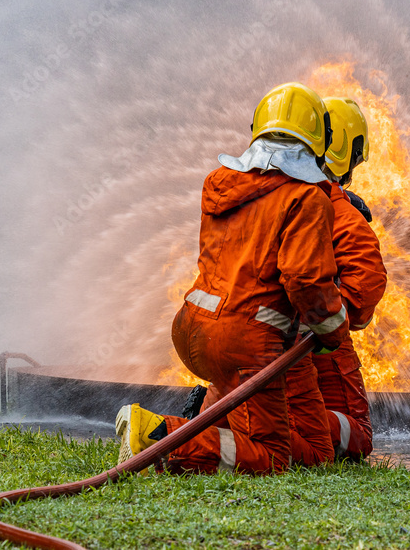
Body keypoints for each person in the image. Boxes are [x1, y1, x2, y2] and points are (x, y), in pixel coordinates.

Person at [115, 82, 349, 474]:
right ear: (318, 142)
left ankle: (180, 435)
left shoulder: (219, 184)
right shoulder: (307, 199)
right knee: (272, 456)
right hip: (245, 346)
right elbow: (304, 280)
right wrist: (332, 332)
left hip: (192, 328)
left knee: (275, 441)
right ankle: (155, 434)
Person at [289, 96, 387, 464]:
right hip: (312, 343)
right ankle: (257, 420)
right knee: (356, 435)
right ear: (345, 148)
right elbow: (359, 305)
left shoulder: (262, 192)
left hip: (245, 337)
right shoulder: (339, 211)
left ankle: (216, 409)